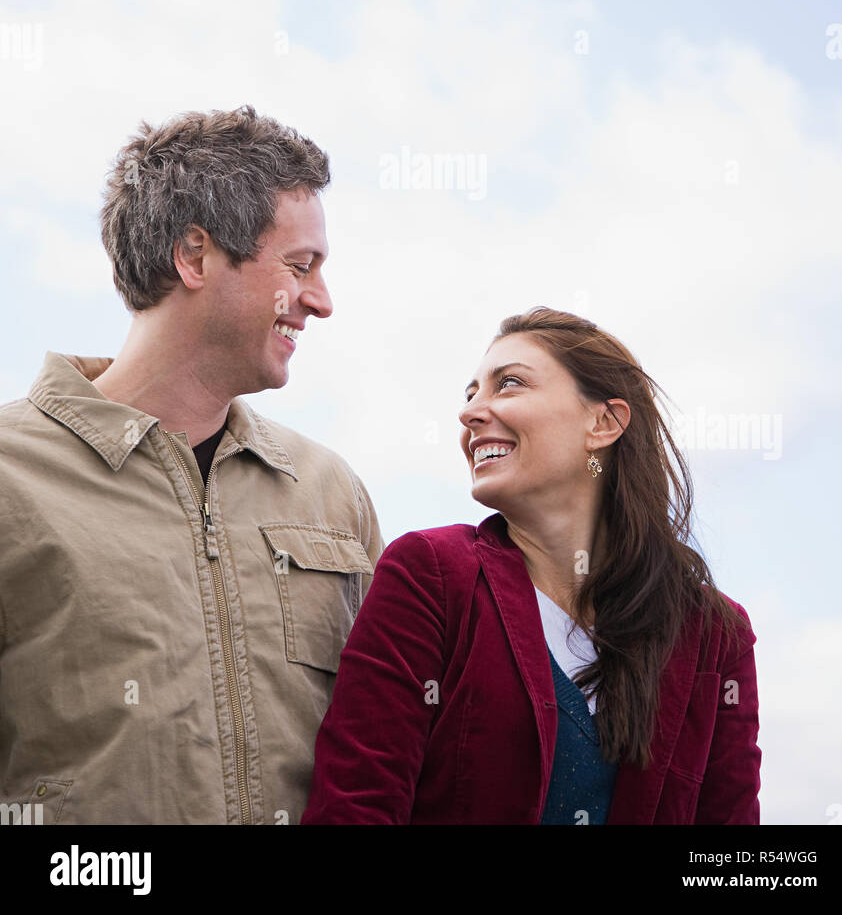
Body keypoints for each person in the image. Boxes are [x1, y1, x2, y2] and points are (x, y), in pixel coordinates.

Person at [0, 105, 383, 825]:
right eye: (299, 267)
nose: (322, 302)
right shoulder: (10, 474)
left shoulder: (334, 495)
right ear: (195, 257)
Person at [302, 307, 761, 825]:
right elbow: (356, 806)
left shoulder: (714, 634)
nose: (471, 412)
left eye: (510, 384)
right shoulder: (430, 575)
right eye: (471, 393)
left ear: (603, 422)